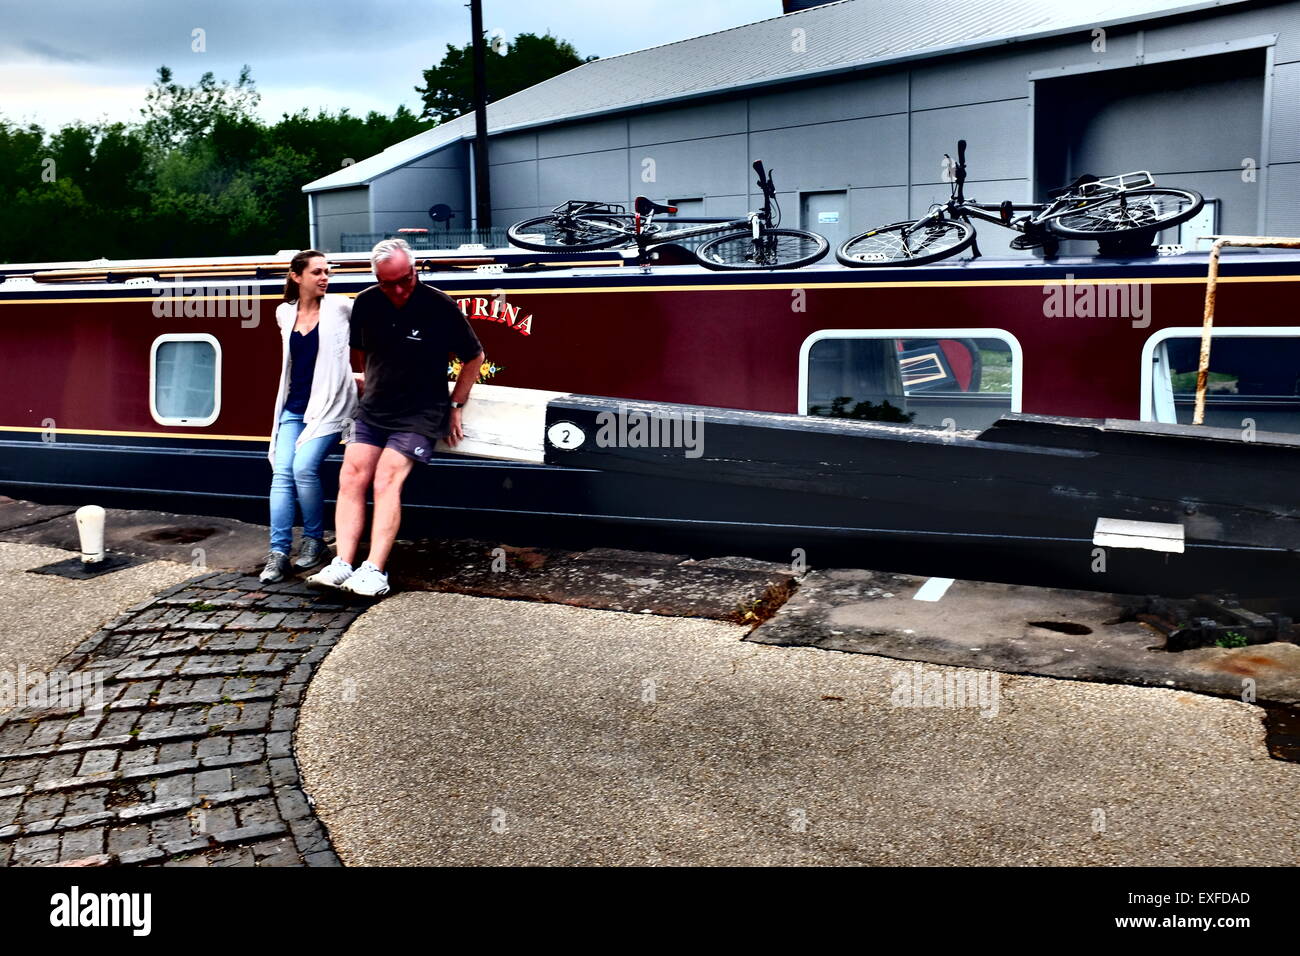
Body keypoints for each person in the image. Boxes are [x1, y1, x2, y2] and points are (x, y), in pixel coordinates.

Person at [308, 238, 484, 597]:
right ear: (377, 278)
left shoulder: (439, 305)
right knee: (351, 475)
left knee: (386, 479)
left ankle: (375, 570)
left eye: (407, 278)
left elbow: (475, 357)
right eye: (390, 283)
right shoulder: (368, 303)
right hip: (374, 409)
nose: (401, 289)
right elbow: (361, 355)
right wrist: (367, 385)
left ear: (415, 270)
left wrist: (455, 405)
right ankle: (343, 562)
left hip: (421, 412)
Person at [260, 250, 359, 584]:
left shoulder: (342, 307)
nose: (324, 278)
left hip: (332, 408)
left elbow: (375, 335)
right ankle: (277, 554)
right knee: (281, 473)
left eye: (327, 272)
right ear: (296, 275)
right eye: (317, 272)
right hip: (294, 408)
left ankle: (315, 540)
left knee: (304, 468)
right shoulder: (283, 313)